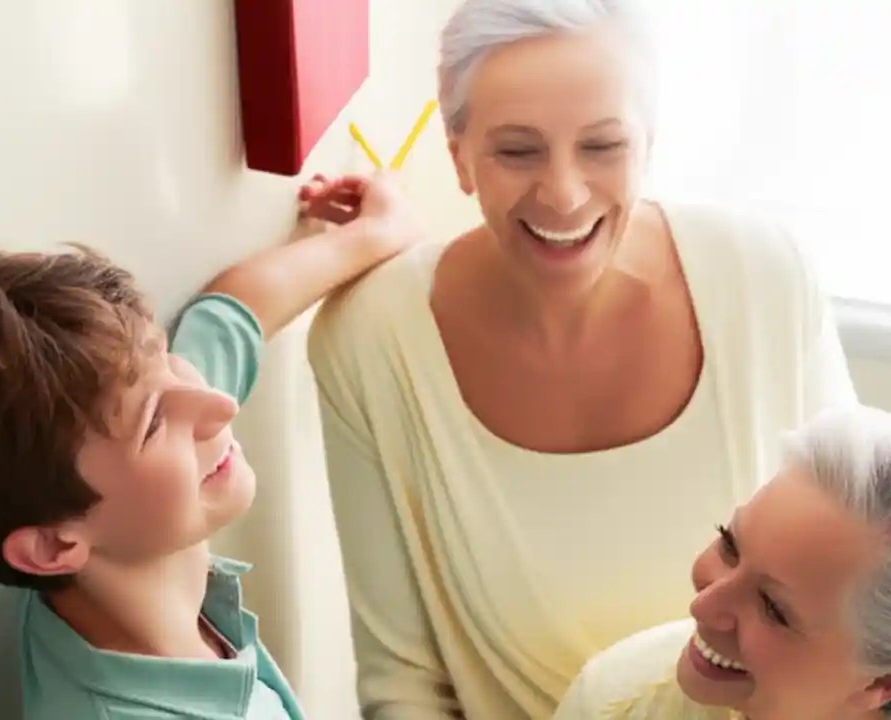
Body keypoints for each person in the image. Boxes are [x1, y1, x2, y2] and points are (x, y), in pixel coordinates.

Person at [305, 0, 857, 716]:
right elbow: (401, 681)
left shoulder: (763, 277)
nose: (563, 193)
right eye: (518, 150)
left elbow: (869, 580)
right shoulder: (372, 340)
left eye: (602, 147)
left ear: (647, 144)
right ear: (459, 157)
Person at [0, 172, 418, 720]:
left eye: (164, 355)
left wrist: (373, 234)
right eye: (154, 424)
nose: (218, 406)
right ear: (51, 546)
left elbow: (231, 312)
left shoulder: (106, 526)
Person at [552, 406, 891, 720]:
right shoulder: (617, 704)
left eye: (774, 609)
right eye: (730, 545)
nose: (704, 607)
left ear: (883, 685)